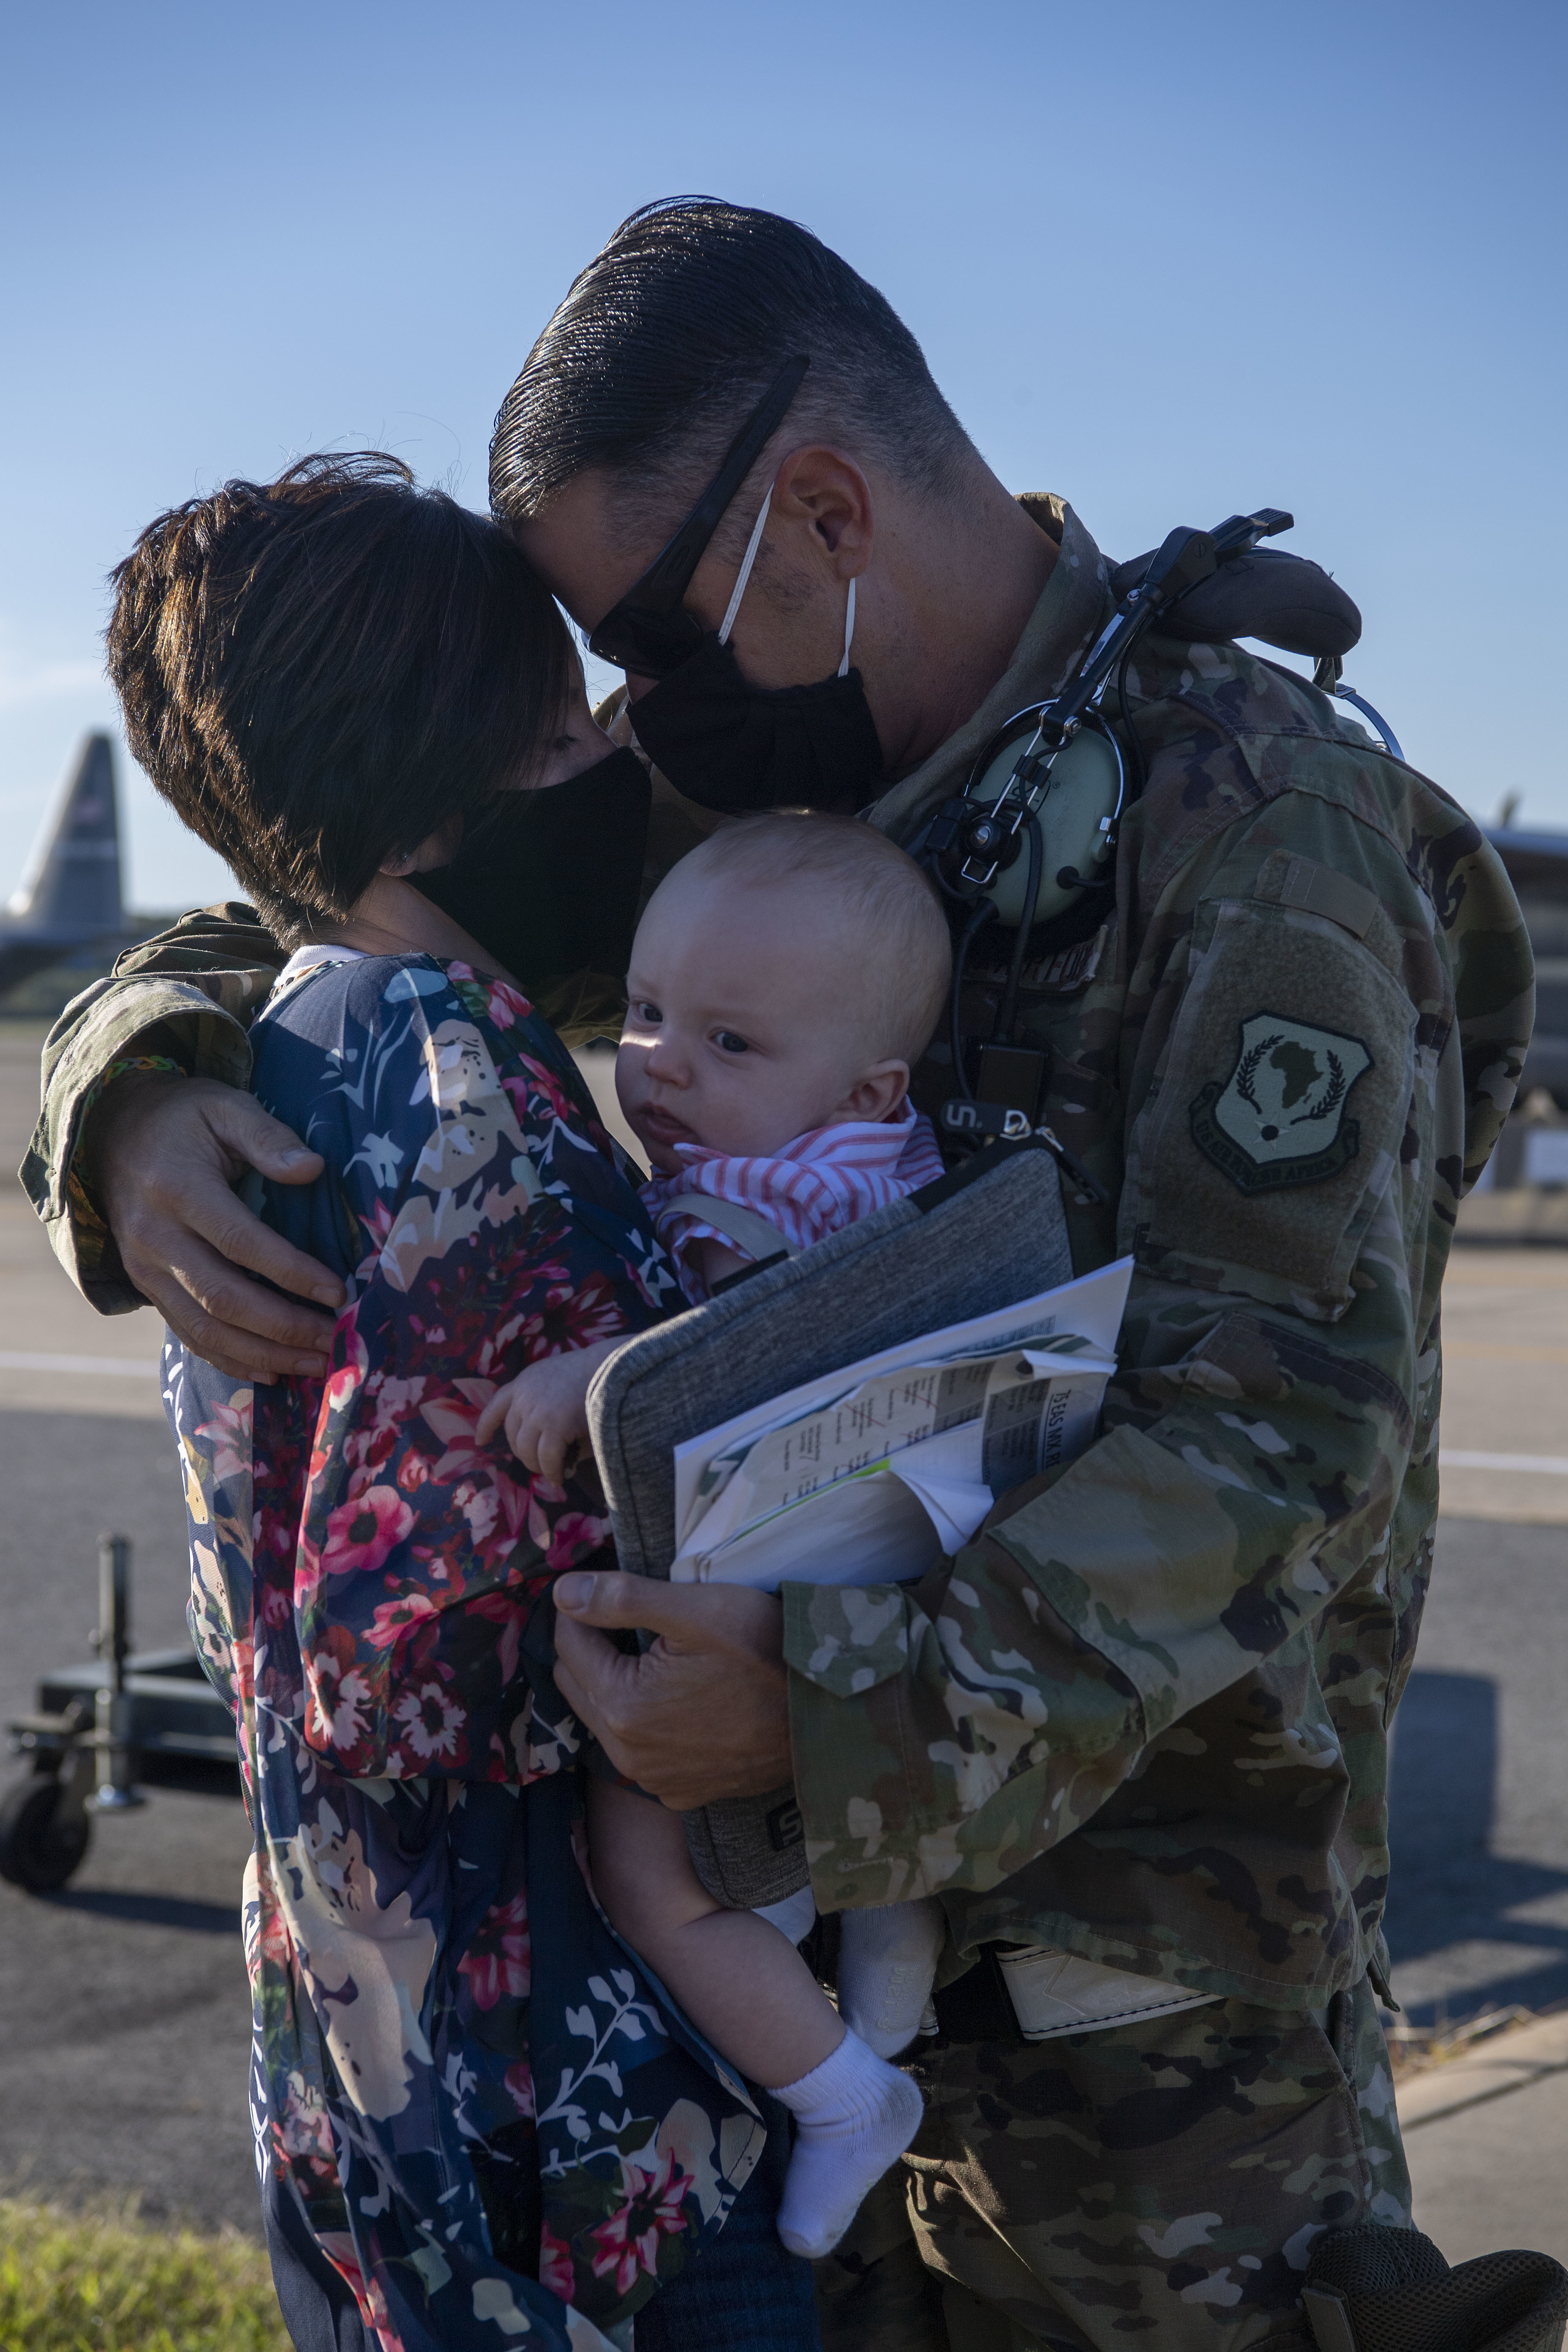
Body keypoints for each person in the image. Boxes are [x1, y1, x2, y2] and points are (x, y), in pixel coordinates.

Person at [25, 202, 1535, 2349]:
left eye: (644, 638)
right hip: (777, 2022)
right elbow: (352, 880)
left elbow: (1280, 1431)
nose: (626, 722)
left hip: (1135, 2068)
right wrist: (133, 1085)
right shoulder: (792, 769)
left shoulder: (1255, 834)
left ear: (818, 514)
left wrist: (825, 1719)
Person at [102, 451, 825, 2352]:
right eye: (556, 716)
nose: (604, 747)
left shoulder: (288, 1046)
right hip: (575, 2117)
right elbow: (480, 1653)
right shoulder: (457, 1084)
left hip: (368, 2048)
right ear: (453, 776)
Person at [484, 813, 960, 2265]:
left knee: (647, 1875)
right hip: (885, 1616)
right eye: (642, 1013)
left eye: (730, 1043)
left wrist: (601, 1374)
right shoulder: (880, 1159)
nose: (661, 1064)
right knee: (841, 1860)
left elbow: (761, 1341)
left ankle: (841, 2097)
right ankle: (890, 1961)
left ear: (865, 1082)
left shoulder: (782, 1203)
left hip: (791, 1632)